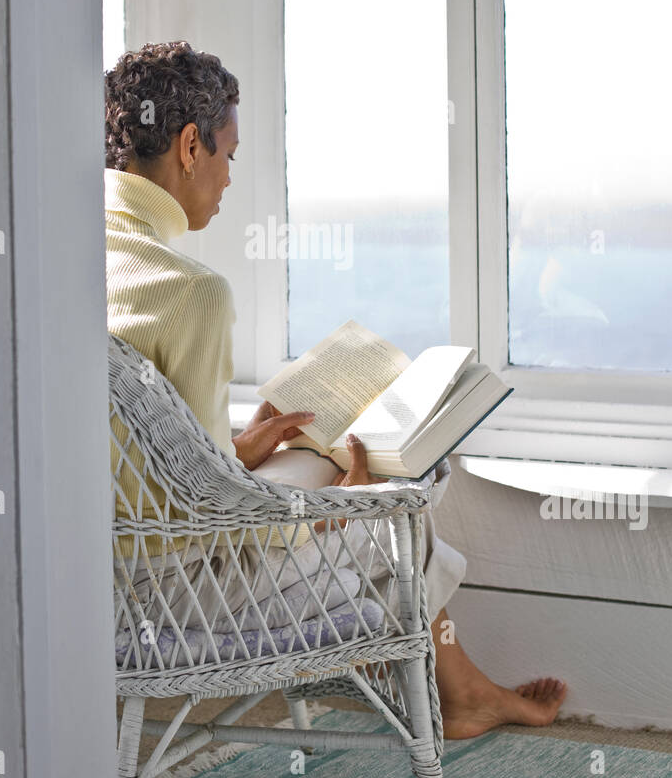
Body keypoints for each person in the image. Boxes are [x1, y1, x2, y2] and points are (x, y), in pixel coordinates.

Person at [105, 40, 567, 737]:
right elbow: (208, 518)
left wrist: (235, 450)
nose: (230, 178)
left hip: (89, 571)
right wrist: (338, 509)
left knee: (321, 463)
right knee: (394, 508)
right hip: (177, 592)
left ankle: (463, 686)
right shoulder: (189, 292)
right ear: (191, 146)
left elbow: (145, 465)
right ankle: (462, 689)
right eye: (228, 154)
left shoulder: (57, 259)